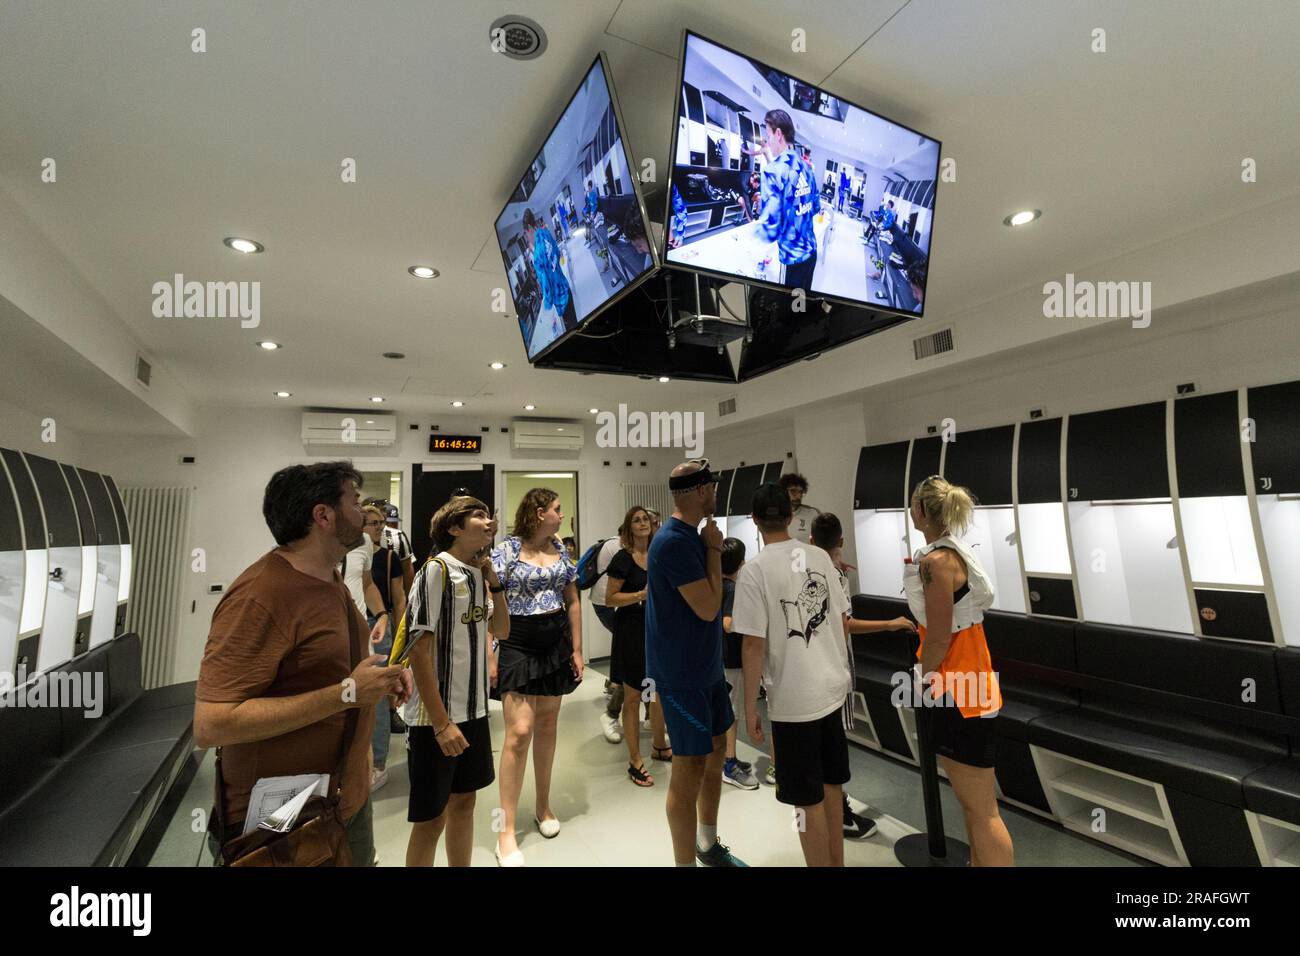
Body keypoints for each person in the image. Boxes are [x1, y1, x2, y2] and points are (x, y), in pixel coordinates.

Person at [195, 462, 410, 866]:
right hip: (283, 822)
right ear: (323, 515)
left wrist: (378, 679)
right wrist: (347, 693)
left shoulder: (331, 579)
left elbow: (335, 669)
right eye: (354, 501)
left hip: (344, 802)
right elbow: (212, 724)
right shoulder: (260, 596)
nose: (365, 514)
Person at [732, 483, 852, 867]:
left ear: (754, 520)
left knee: (804, 801)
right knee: (833, 785)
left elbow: (752, 645)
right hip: (832, 689)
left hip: (794, 702)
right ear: (790, 516)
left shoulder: (754, 572)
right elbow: (841, 620)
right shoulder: (820, 557)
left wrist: (749, 707)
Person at [906, 476, 1013, 866]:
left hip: (959, 690)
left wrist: (919, 678)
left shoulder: (936, 562)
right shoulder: (957, 552)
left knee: (982, 810)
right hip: (972, 685)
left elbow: (937, 637)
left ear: (920, 510)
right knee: (974, 808)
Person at [646, 459, 746, 867]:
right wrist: (712, 548)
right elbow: (707, 608)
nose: (716, 494)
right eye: (713, 488)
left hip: (705, 667)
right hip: (681, 673)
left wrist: (708, 545)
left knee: (716, 748)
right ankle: (684, 862)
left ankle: (706, 843)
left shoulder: (691, 535)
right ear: (701, 491)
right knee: (688, 766)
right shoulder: (674, 542)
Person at [401, 496, 508, 867]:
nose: (488, 520)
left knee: (465, 802)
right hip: (435, 720)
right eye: (478, 515)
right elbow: (418, 650)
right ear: (454, 528)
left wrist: (494, 582)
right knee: (431, 818)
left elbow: (502, 629)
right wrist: (441, 722)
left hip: (474, 712)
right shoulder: (436, 571)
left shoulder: (477, 573)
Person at [491, 488, 583, 866]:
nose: (562, 515)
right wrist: (490, 652)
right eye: (558, 509)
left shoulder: (561, 550)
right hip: (517, 641)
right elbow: (489, 601)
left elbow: (573, 599)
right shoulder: (506, 551)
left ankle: (543, 806)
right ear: (539, 511)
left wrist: (577, 649)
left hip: (555, 641)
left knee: (547, 724)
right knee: (519, 732)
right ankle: (505, 830)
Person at [810, 512, 916, 840]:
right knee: (834, 744)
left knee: (822, 743)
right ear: (841, 541)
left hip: (813, 670)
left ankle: (823, 809)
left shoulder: (806, 570)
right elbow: (845, 626)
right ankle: (837, 812)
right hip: (836, 670)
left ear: (812, 541)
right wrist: (890, 623)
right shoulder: (836, 577)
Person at [605, 507, 670, 786]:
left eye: (646, 519)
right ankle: (634, 759)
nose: (643, 523)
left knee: (656, 692)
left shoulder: (659, 554)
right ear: (629, 527)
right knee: (632, 697)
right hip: (631, 632)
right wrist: (641, 594)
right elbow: (610, 598)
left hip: (657, 631)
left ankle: (658, 744)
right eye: (636, 520)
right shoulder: (623, 558)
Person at [753, 109, 820, 291]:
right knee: (801, 309)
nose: (768, 142)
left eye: (768, 135)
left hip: (794, 259)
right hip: (811, 253)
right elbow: (814, 207)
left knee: (790, 314)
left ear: (778, 134)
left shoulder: (773, 171)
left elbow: (770, 228)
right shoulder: (807, 168)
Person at [365, 504, 407, 792]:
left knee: (379, 697)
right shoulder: (350, 557)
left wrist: (403, 637)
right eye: (372, 522)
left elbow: (399, 597)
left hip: (381, 626)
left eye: (381, 522)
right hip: (355, 623)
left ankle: (378, 763)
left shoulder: (389, 557)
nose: (379, 527)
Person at [720, 537, 759, 790]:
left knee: (727, 711)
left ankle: (728, 758)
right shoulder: (732, 590)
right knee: (730, 714)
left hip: (722, 658)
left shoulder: (720, 585)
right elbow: (727, 622)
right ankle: (728, 763)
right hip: (731, 659)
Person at [589, 531, 627, 744]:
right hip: (611, 603)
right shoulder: (620, 548)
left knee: (635, 656)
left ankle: (649, 714)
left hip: (608, 603)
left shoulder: (613, 544)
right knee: (629, 652)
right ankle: (613, 707)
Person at [778, 472, 821, 544]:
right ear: (783, 491)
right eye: (793, 491)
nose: (798, 496)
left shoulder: (813, 513)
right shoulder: (775, 515)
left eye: (800, 492)